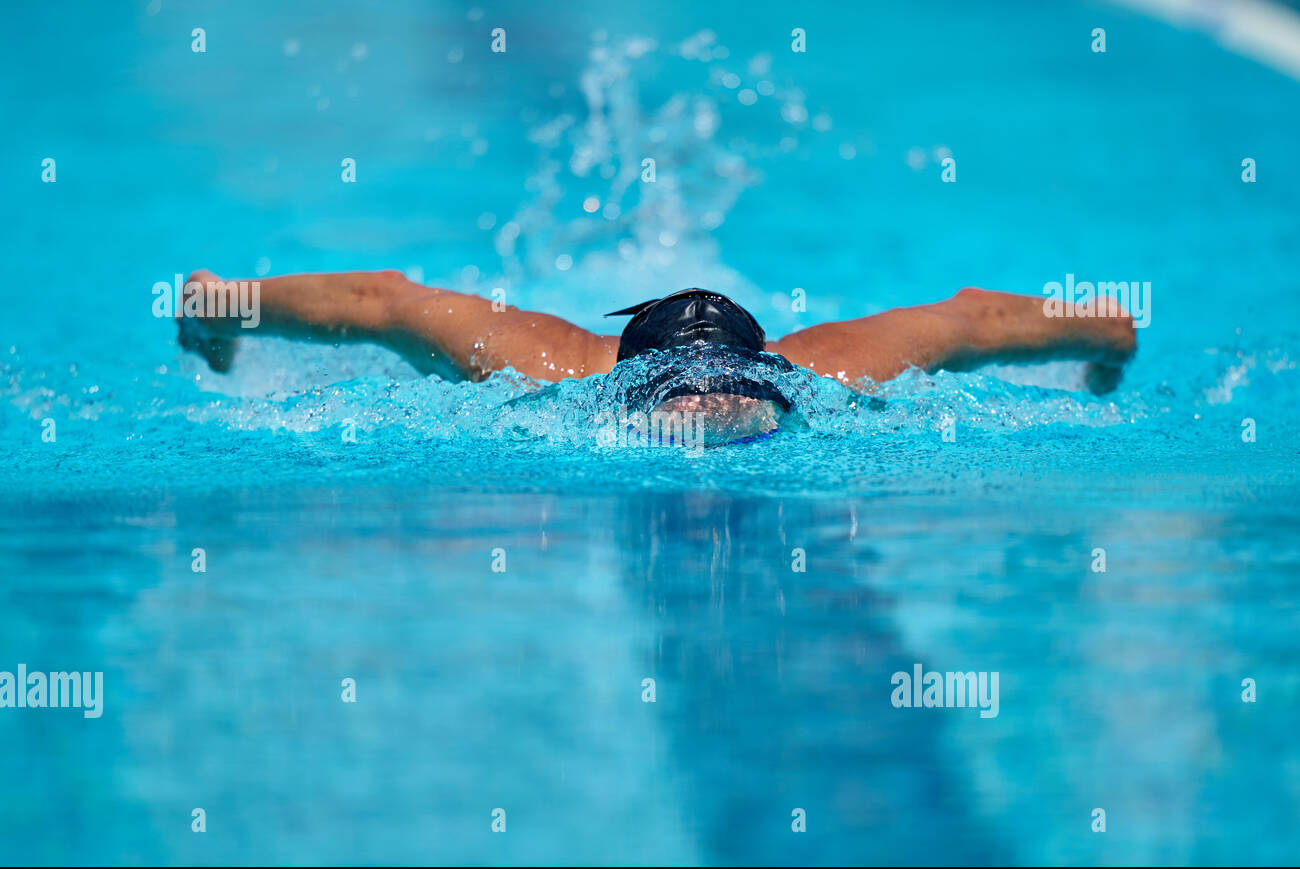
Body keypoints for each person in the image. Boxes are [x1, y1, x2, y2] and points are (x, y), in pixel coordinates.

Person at [176, 269, 1137, 440]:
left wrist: (1104, 333)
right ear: (626, 393)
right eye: (686, 399)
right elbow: (385, 302)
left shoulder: (829, 373)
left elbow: (975, 321)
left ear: (772, 383)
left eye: (724, 394)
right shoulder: (549, 371)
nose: (704, 413)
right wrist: (224, 306)